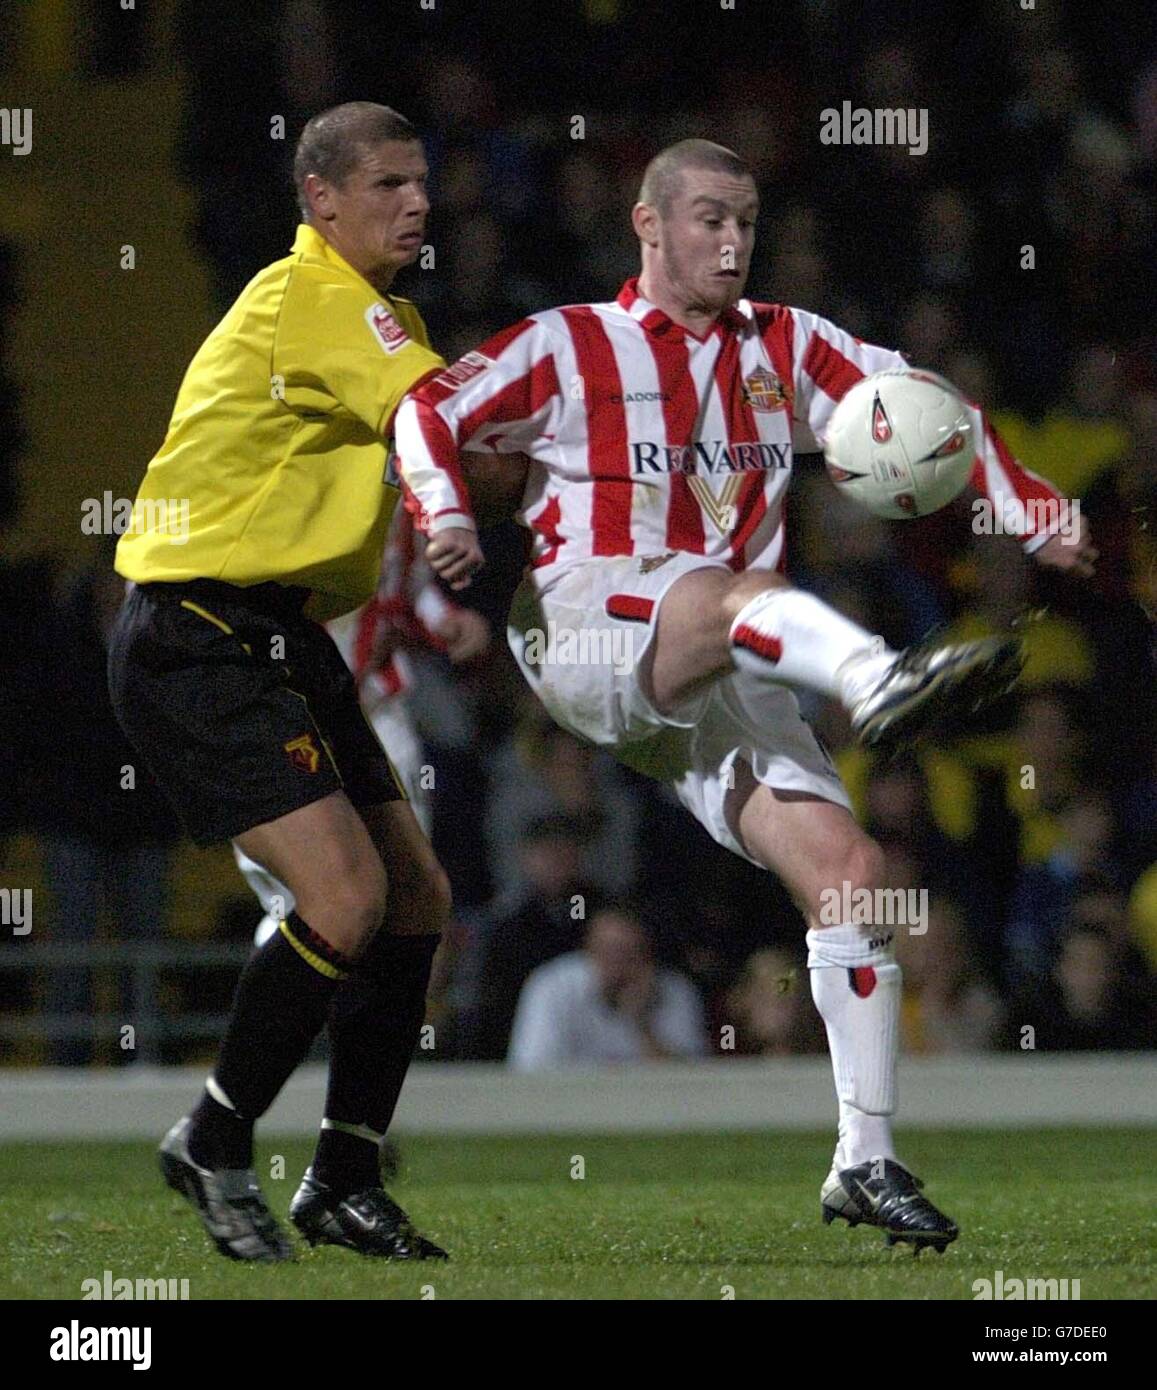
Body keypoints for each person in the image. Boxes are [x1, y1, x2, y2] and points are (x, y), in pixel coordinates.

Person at [394, 139, 1097, 1252]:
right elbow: (422, 411)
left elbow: (923, 407)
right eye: (708, 220)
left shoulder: (787, 343)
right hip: (585, 625)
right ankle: (876, 679)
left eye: (745, 223)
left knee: (852, 873)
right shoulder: (572, 343)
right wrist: (439, 513)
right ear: (648, 223)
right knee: (741, 595)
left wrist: (1027, 506)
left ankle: (863, 1161)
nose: (730, 243)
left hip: (728, 647)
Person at [108, 102, 455, 1263]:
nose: (417, 203)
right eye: (390, 185)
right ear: (323, 200)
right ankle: (211, 1138)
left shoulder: (378, 316)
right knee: (345, 896)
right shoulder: (313, 301)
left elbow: (443, 427)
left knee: (414, 900)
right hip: (197, 627)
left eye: (421, 183)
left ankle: (344, 1175)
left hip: (276, 631)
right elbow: (440, 422)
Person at [507, 906, 707, 1070]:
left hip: (650, 1112)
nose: (617, 965)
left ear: (647, 954)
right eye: (608, 952)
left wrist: (641, 1025)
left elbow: (694, 1085)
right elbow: (531, 1071)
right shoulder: (551, 987)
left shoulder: (676, 991)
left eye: (629, 954)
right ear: (588, 950)